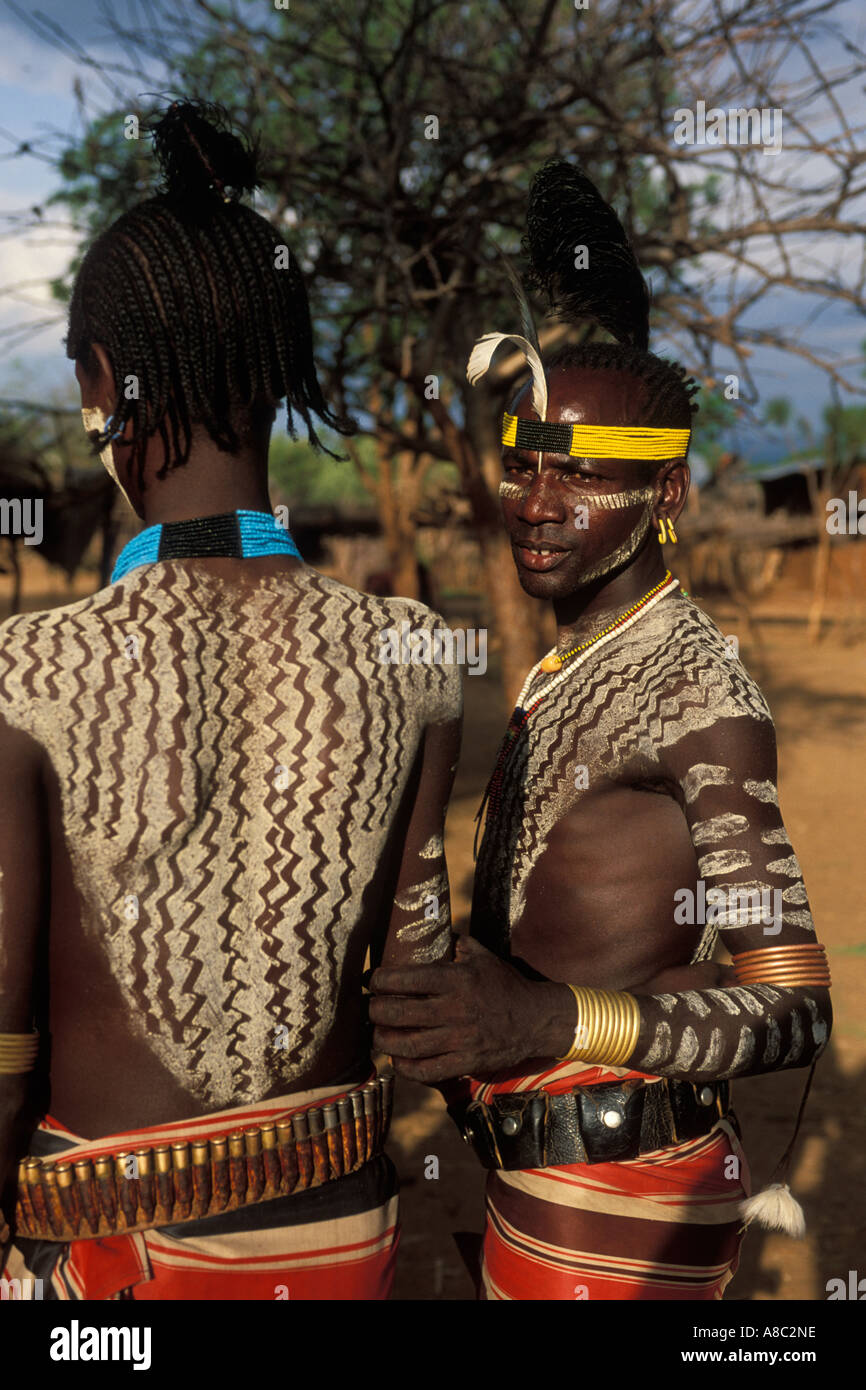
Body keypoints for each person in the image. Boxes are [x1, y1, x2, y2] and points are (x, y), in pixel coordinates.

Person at [0, 101, 461, 1300]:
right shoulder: (412, 654)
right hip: (339, 1235)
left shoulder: (31, 673)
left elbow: (3, 1041)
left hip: (111, 1265)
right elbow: (419, 990)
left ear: (104, 383)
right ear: (279, 371)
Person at [369, 160, 831, 1301]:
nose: (536, 499)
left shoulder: (696, 696)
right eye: (523, 464)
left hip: (623, 1206)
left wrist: (541, 1014)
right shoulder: (573, 661)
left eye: (582, 474)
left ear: (665, 495)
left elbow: (790, 1010)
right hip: (539, 1185)